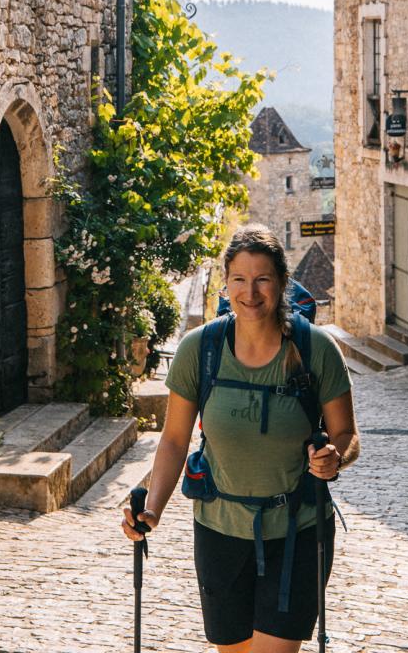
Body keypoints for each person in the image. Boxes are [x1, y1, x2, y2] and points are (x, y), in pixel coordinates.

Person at [121, 223, 360, 653]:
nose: (251, 292)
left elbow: (346, 433)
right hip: (219, 532)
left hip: (297, 531)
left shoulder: (316, 349)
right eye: (240, 280)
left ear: (282, 283)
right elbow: (174, 441)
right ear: (226, 283)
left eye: (263, 278)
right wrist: (152, 509)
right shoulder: (201, 350)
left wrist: (335, 458)